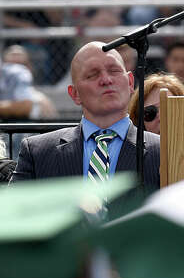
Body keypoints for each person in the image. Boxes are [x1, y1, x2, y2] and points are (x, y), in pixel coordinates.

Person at [12, 41, 162, 190]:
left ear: (130, 82)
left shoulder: (162, 151)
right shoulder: (37, 152)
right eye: (92, 75)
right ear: (75, 94)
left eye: (114, 70)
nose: (106, 80)